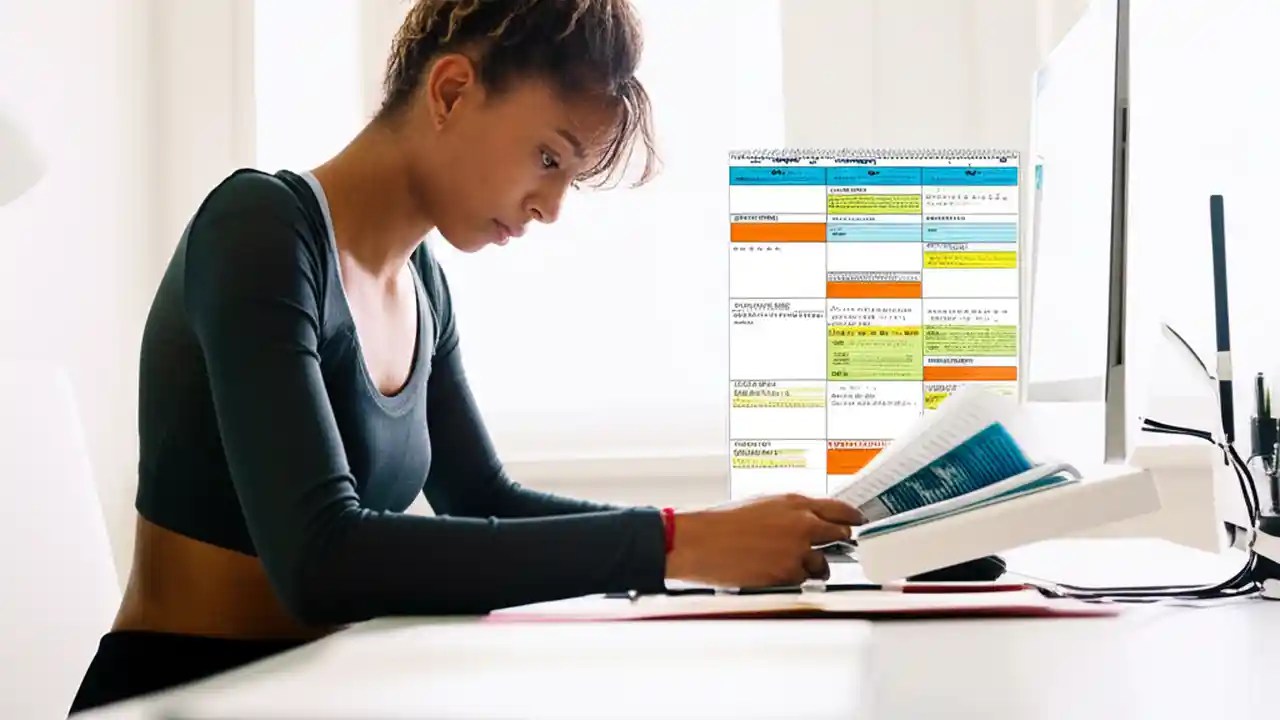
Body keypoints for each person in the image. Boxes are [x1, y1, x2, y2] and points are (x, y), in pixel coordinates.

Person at [68, 0, 863, 714]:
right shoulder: (259, 231)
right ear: (451, 90)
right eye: (549, 158)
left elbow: (486, 497)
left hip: (313, 691)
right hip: (178, 696)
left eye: (570, 179)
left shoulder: (422, 285)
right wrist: (672, 544)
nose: (551, 208)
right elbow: (320, 560)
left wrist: (705, 532)